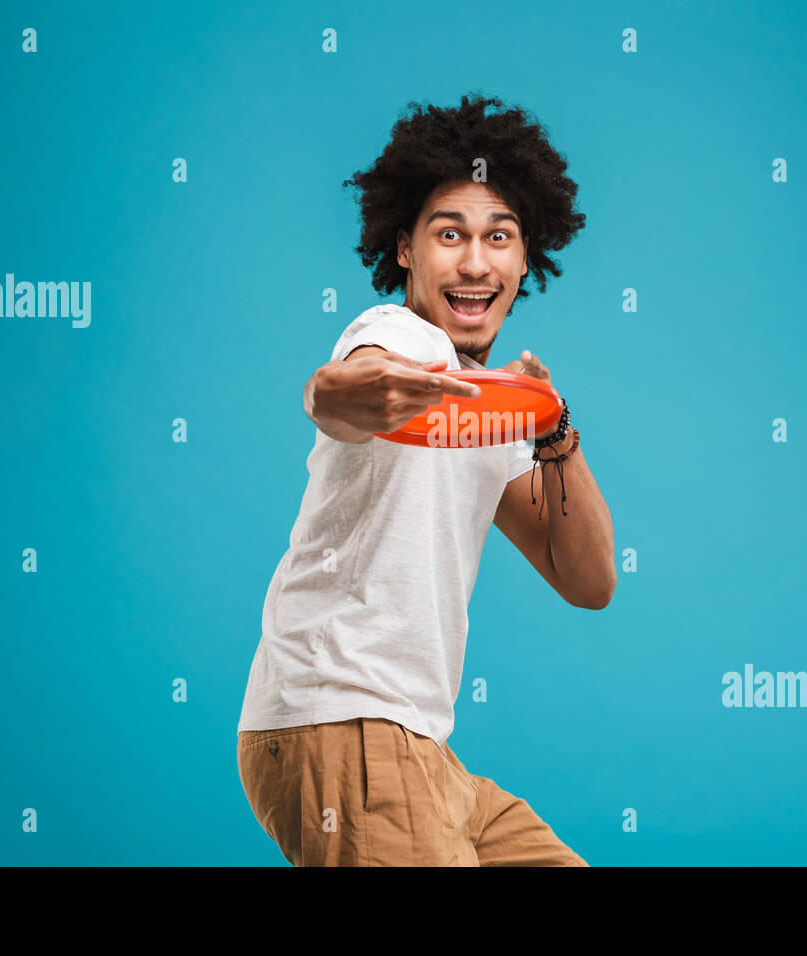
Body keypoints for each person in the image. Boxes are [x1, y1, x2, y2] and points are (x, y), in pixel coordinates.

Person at [236, 92, 615, 866]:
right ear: (405, 249)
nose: (475, 262)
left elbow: (588, 581)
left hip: (423, 750)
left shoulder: (482, 405)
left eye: (498, 237)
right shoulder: (397, 336)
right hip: (346, 723)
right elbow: (340, 393)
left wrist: (553, 432)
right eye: (449, 235)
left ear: (525, 258)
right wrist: (345, 390)